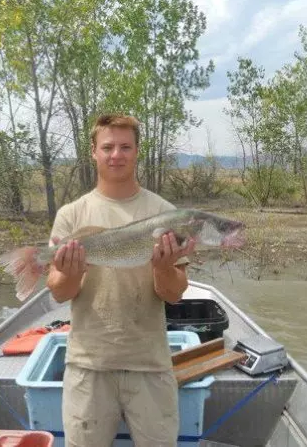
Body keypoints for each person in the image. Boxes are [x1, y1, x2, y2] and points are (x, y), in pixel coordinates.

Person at [46, 113, 196, 447]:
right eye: (108, 146)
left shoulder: (165, 213)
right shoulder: (71, 215)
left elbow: (173, 295)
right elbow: (59, 292)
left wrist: (163, 267)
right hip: (88, 365)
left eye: (125, 146)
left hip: (150, 364)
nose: (117, 154)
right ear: (93, 152)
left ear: (137, 151)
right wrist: (70, 271)